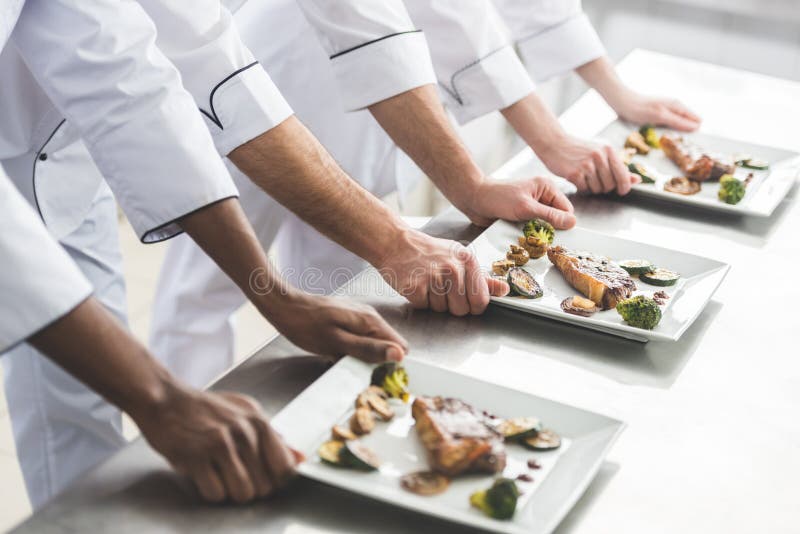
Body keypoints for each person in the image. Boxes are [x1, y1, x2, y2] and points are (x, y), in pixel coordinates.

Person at [150, 0, 701, 388]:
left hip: (386, 89)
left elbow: (527, 7)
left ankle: (328, 414)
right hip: (270, 70)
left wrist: (611, 94)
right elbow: (435, 13)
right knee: (209, 285)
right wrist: (522, 154)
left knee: (340, 281)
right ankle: (188, 435)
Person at [1, 0, 407, 507]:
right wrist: (159, 396)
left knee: (83, 405)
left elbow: (130, 79)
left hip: (57, 159)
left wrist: (278, 296)